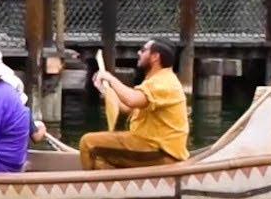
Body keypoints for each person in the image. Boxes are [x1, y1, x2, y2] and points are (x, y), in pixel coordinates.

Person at [78, 39, 190, 170]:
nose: (138, 53)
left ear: (155, 57)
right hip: (150, 146)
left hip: (160, 151)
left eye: (143, 50)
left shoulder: (163, 83)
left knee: (87, 143)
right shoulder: (156, 80)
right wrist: (104, 90)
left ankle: (92, 183)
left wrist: (110, 78)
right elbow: (127, 107)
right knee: (99, 156)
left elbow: (132, 100)